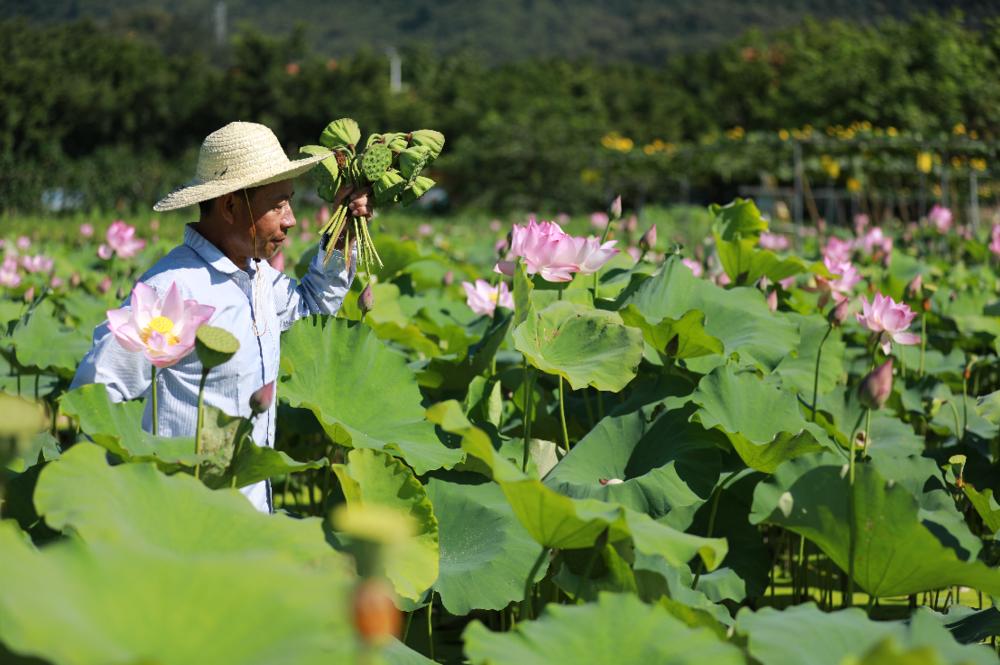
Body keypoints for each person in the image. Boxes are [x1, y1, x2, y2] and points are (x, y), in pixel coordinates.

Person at [72, 121, 370, 513]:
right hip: (182, 521)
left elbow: (309, 307)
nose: (291, 219)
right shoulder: (171, 289)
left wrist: (343, 232)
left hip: (246, 519)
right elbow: (95, 393)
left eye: (290, 202)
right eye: (278, 204)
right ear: (231, 205)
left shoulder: (260, 277)